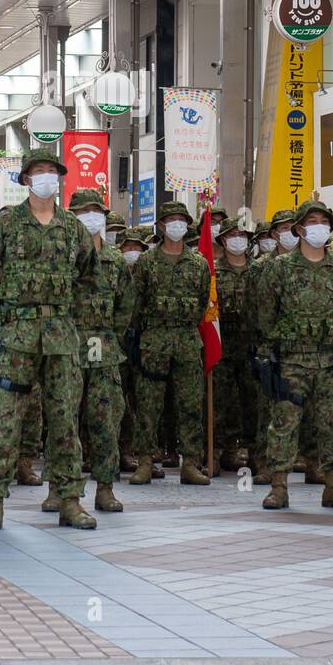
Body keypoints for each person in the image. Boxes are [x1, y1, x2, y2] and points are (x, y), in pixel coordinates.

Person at [0, 149, 98, 530]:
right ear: (25, 179)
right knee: (6, 419)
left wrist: (69, 314)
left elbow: (89, 277)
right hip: (16, 336)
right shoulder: (5, 226)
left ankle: (68, 499)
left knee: (64, 420)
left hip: (60, 336)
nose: (46, 178)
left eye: (52, 172)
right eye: (39, 172)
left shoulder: (73, 228)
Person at [256, 199, 333, 511]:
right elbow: (265, 314)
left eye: (324, 222)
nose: (319, 227)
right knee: (285, 423)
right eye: (312, 221)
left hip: (330, 360)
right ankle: (279, 486)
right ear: (300, 228)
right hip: (292, 359)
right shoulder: (280, 268)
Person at [128, 202, 211, 486]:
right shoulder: (146, 262)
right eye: (171, 219)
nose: (176, 224)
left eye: (181, 219)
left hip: (187, 340)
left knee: (190, 403)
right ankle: (146, 462)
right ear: (161, 226)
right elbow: (135, 304)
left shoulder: (199, 264)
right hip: (154, 341)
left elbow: (202, 304)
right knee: (149, 404)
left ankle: (190, 462)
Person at [66, 187, 135, 513]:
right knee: (64, 421)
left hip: (104, 349)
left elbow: (125, 305)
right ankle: (61, 488)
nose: (91, 218)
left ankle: (105, 487)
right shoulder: (63, 257)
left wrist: (110, 335)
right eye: (83, 213)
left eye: (97, 212)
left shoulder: (115, 260)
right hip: (67, 346)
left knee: (106, 420)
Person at [248, 209, 299, 485]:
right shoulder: (260, 267)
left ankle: (311, 461)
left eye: (293, 226)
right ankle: (266, 464)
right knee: (269, 408)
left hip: (305, 348)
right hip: (272, 347)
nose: (288, 231)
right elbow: (254, 310)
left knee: (309, 409)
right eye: (283, 227)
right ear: (274, 234)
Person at [213, 217, 255, 470]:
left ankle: (253, 453)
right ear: (223, 240)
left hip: (250, 345)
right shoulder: (213, 271)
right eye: (232, 235)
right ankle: (218, 451)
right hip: (223, 345)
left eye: (242, 234)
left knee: (252, 403)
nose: (237, 239)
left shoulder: (259, 270)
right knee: (220, 401)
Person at [117, 225, 152, 471]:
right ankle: (114, 451)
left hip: (143, 341)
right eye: (127, 247)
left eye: (136, 247)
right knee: (116, 401)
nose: (132, 251)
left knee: (142, 402)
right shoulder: (112, 271)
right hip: (115, 343)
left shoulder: (148, 273)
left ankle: (138, 453)